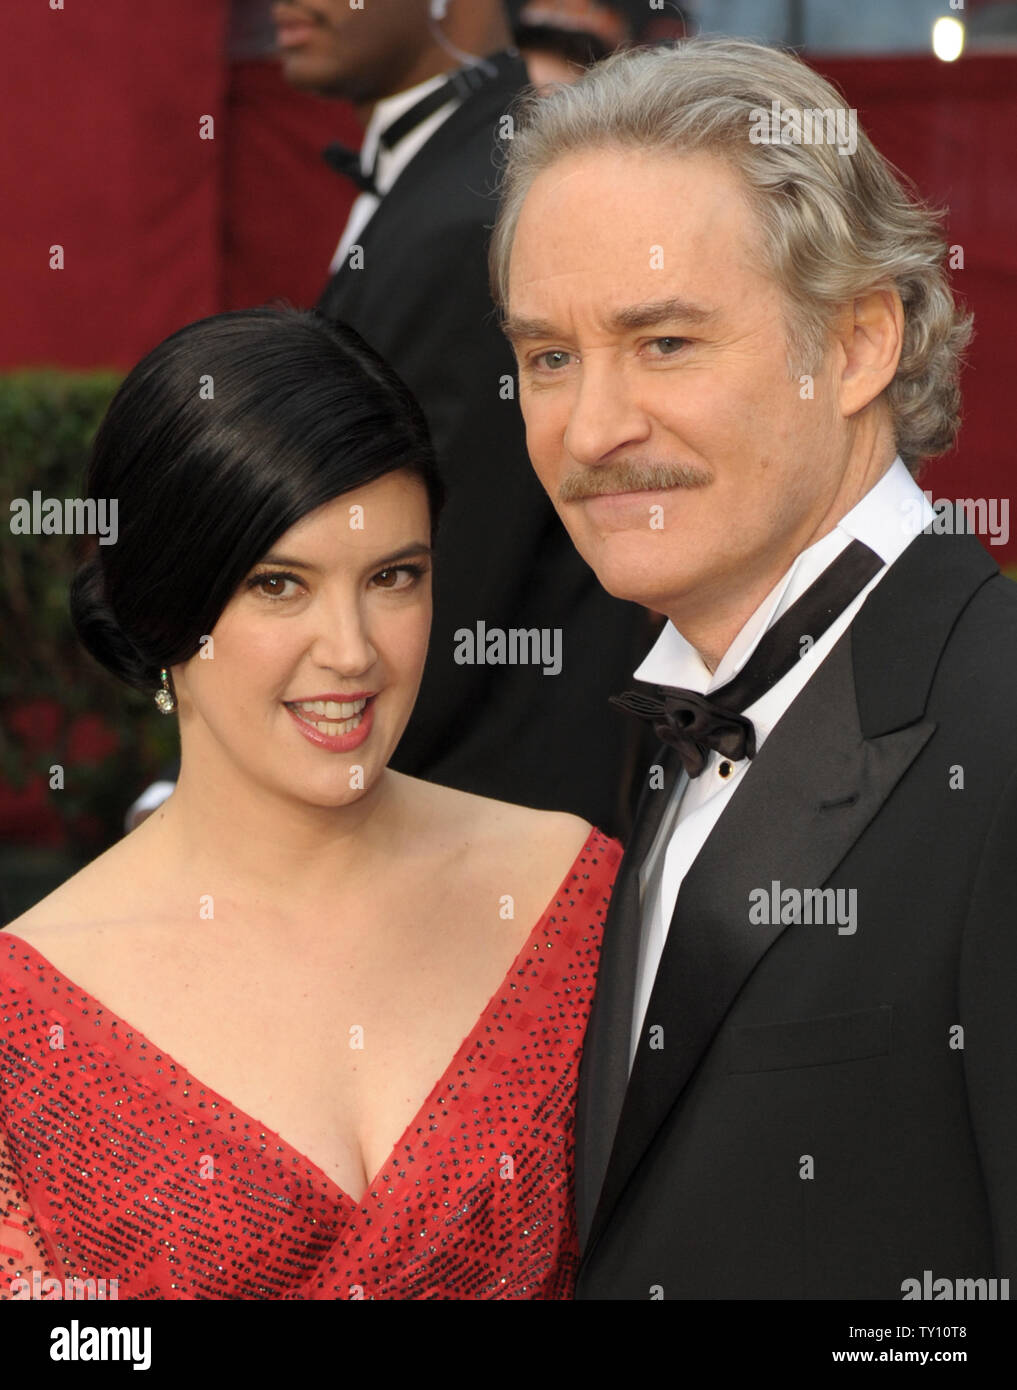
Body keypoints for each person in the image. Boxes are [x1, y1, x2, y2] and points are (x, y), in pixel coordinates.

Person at [489, 38, 1017, 1298]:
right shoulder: (673, 722)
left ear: (856, 345)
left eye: (664, 342)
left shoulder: (999, 734)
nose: (592, 426)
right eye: (548, 357)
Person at [0, 307, 621, 1301]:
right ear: (164, 611)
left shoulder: (576, 898)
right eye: (279, 584)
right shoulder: (29, 1031)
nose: (351, 650)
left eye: (393, 578)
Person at [272, 0, 644, 833]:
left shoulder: (479, 203)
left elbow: (451, 580)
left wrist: (256, 798)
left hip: (464, 824)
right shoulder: (456, 166)